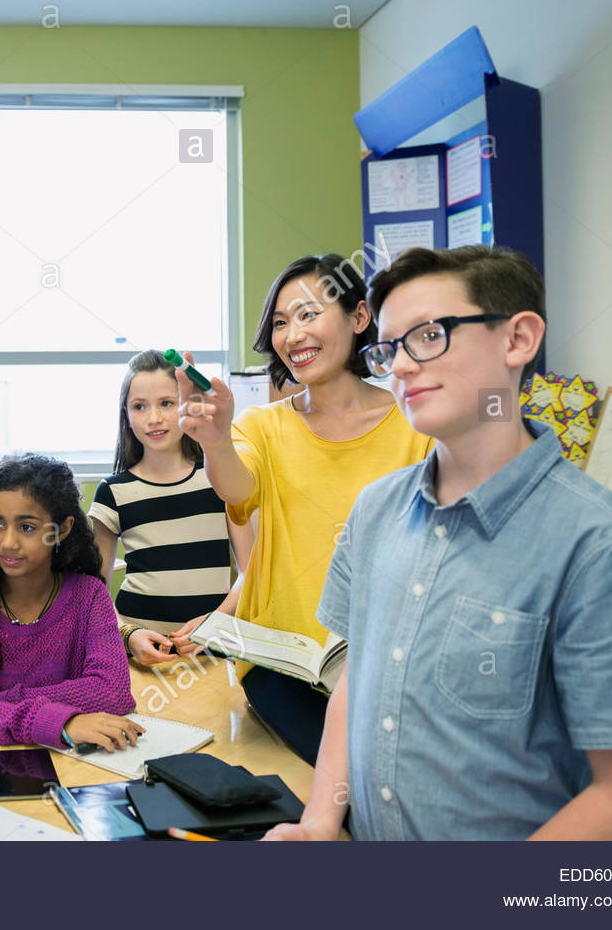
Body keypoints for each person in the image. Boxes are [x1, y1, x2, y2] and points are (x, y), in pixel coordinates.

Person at [264, 245, 612, 840]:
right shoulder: (375, 510)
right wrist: (320, 822)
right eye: (389, 348)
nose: (402, 365)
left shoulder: (599, 545)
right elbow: (359, 677)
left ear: (518, 340)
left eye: (429, 336)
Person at [172, 254, 433, 765]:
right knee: (360, 772)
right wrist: (215, 439)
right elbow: (236, 489)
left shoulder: (415, 426)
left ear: (360, 318)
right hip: (281, 664)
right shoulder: (262, 426)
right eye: (280, 322)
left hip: (384, 661)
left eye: (308, 314)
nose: (293, 335)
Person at [0, 453, 141, 750]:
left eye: (27, 527)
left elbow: (113, 692)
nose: (8, 542)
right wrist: (59, 722)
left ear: (63, 529)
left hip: (72, 762)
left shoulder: (90, 596)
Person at [89, 349, 253, 663]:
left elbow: (251, 571)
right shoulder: (112, 491)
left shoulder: (220, 477)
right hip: (139, 659)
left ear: (187, 404)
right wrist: (128, 634)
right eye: (139, 406)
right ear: (126, 413)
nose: (154, 418)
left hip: (212, 653)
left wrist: (213, 623)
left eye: (166, 403)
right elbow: (94, 594)